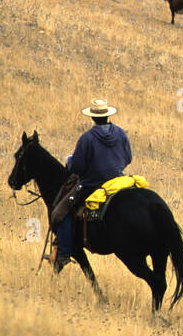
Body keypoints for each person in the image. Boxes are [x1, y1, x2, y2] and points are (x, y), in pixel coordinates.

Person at [49, 98, 133, 272]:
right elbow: (128, 158)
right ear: (108, 115)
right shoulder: (121, 133)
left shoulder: (87, 138)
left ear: (93, 118)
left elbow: (78, 167)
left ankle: (64, 253)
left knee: (59, 212)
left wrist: (69, 161)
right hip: (117, 182)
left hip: (91, 185)